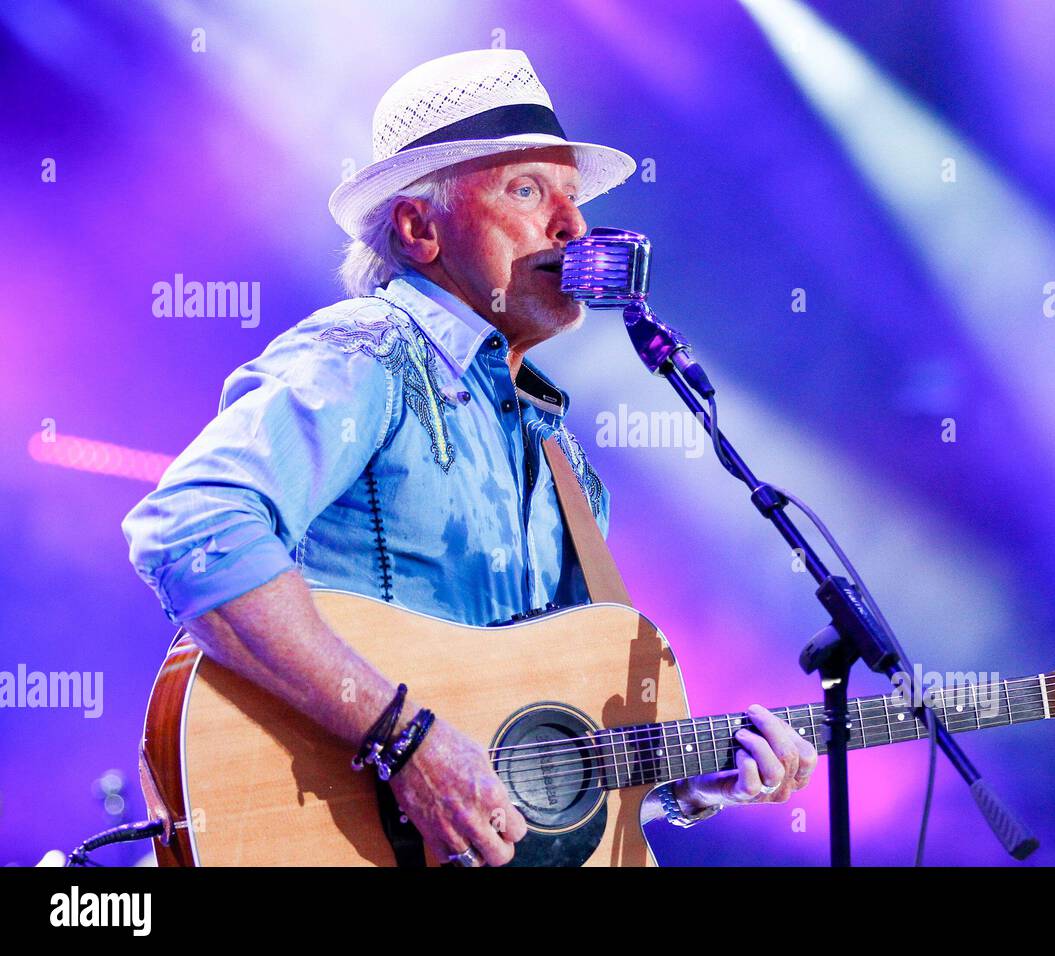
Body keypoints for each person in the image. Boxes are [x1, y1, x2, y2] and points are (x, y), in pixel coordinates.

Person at [123, 49, 816, 867]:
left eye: (575, 199)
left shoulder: (564, 461)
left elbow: (530, 779)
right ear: (420, 228)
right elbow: (190, 526)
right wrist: (405, 743)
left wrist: (690, 790)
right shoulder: (368, 352)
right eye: (528, 191)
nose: (572, 228)